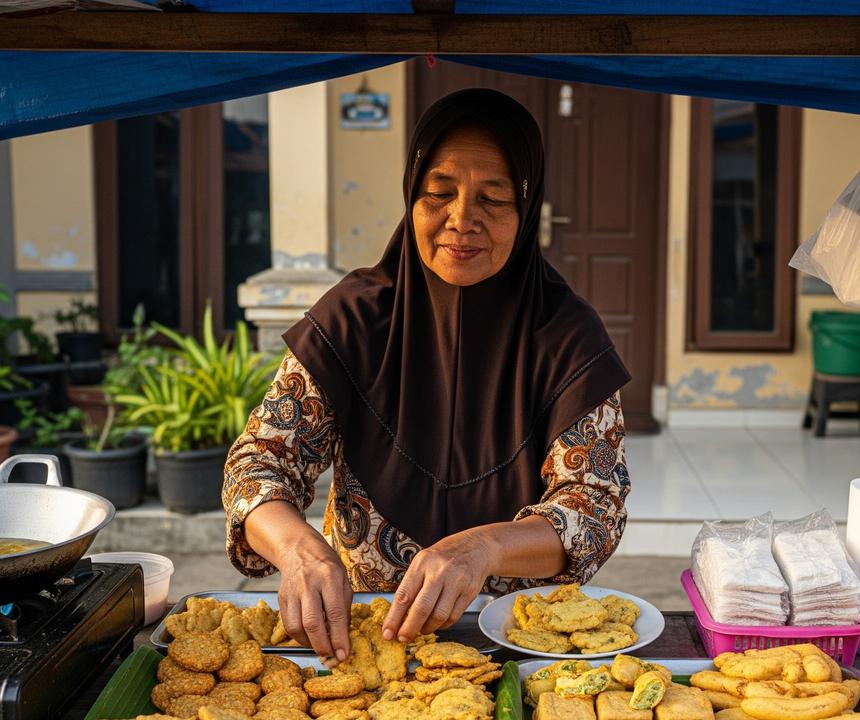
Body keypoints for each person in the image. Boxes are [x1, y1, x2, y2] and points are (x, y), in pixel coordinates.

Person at [222, 88, 632, 663]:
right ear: (411, 198)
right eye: (439, 193)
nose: (461, 220)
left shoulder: (566, 334)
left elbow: (594, 505)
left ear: (528, 208)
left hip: (519, 647)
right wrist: (298, 550)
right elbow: (260, 462)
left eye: (493, 198)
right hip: (363, 643)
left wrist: (483, 548)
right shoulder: (354, 317)